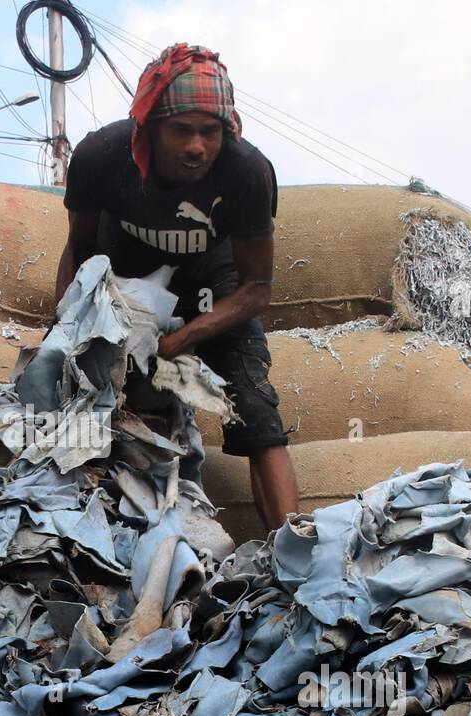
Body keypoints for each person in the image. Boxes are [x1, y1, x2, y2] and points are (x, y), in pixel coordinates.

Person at [56, 44, 300, 530]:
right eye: (182, 131)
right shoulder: (100, 157)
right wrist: (65, 329)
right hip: (120, 292)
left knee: (256, 414)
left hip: (215, 295)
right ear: (148, 128)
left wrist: (183, 339)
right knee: (75, 412)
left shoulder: (247, 172)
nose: (196, 147)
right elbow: (79, 250)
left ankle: (297, 556)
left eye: (210, 132)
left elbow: (257, 289)